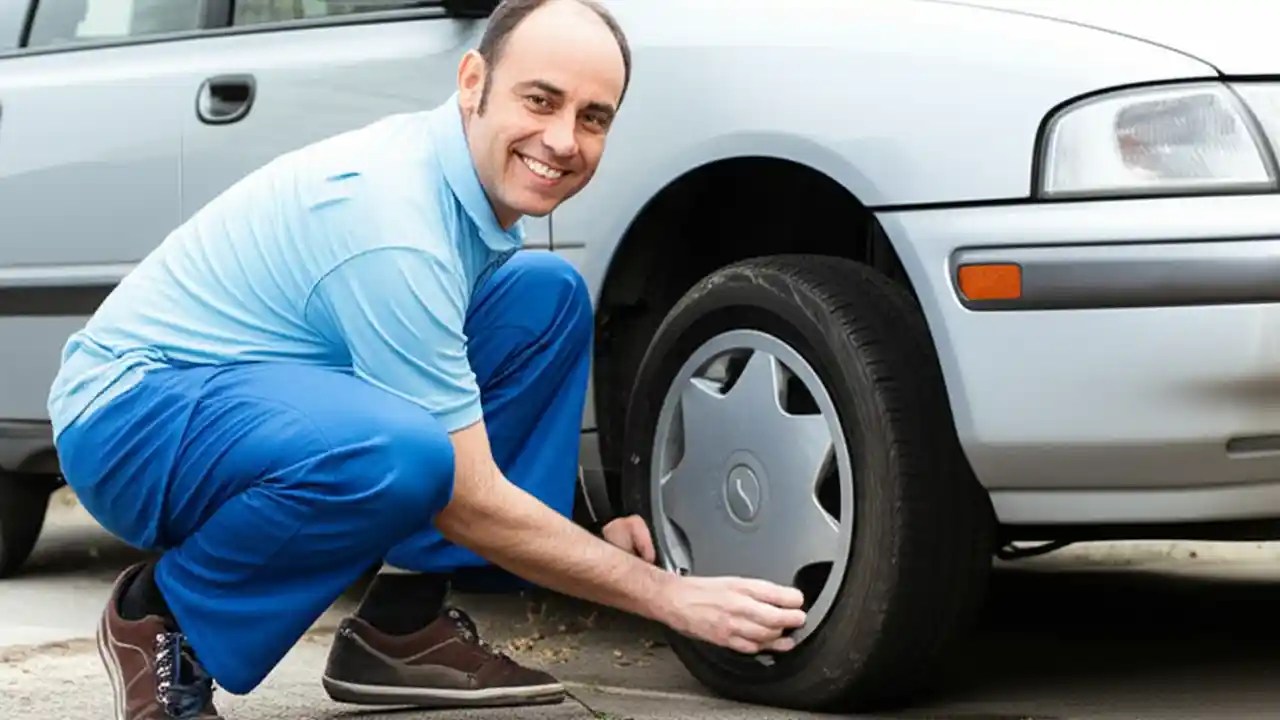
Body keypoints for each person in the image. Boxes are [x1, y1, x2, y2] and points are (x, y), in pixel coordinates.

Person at [46, 0, 807, 717]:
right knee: (400, 455)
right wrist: (665, 596)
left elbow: (460, 404)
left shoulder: (455, 188)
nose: (565, 141)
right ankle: (162, 618)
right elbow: (467, 493)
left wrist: (585, 529)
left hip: (247, 394)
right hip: (129, 417)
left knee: (542, 298)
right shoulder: (395, 222)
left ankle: (399, 629)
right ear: (473, 83)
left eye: (593, 117)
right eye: (540, 101)